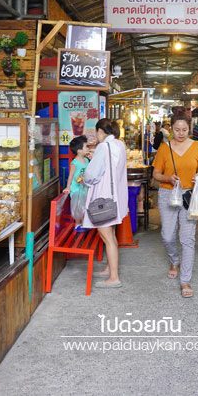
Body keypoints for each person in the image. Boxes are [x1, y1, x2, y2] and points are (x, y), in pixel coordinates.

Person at [152, 113, 198, 298]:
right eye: (177, 130)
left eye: (184, 130)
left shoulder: (197, 146)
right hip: (168, 194)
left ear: (189, 129)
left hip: (189, 195)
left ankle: (185, 280)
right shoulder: (164, 148)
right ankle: (174, 260)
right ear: (171, 128)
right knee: (167, 236)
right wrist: (168, 178)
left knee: (187, 239)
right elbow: (156, 174)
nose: (181, 133)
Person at [83, 119, 129, 288]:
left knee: (107, 237)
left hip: (103, 197)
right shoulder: (119, 144)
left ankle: (114, 278)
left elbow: (92, 174)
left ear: (101, 131)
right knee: (112, 233)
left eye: (97, 132)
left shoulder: (103, 147)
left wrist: (86, 175)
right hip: (116, 197)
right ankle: (110, 268)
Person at [63, 135, 90, 226]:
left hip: (84, 187)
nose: (88, 148)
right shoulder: (74, 163)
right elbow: (70, 176)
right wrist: (68, 187)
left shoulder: (86, 160)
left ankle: (83, 223)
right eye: (86, 147)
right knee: (77, 207)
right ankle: (77, 224)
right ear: (79, 150)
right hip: (76, 189)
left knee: (84, 206)